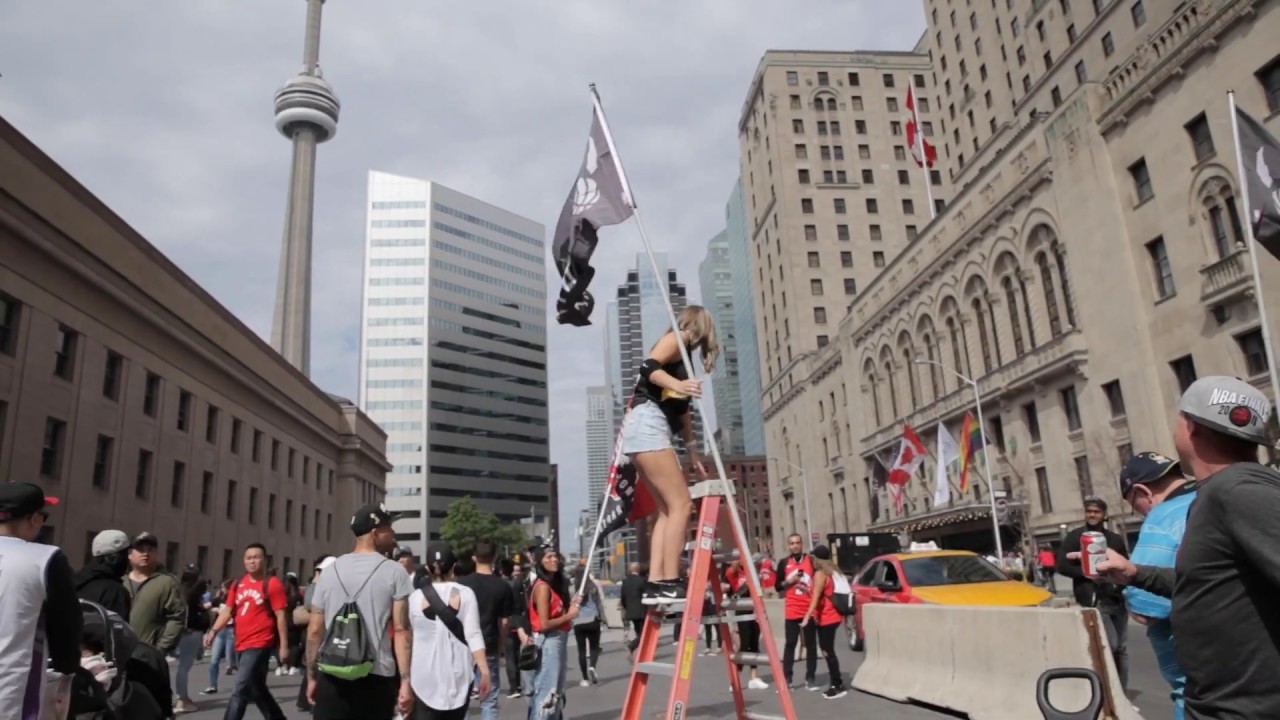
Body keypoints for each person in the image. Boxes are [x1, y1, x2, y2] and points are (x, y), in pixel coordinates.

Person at [1088, 376, 1280, 719]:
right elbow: (1212, 585)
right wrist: (1135, 573)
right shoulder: (1220, 493)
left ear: (1188, 428)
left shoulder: (1238, 493)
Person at [619, 305, 720, 604]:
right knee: (681, 505)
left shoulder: (684, 358)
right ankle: (670, 579)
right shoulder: (678, 338)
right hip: (648, 423)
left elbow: (684, 413)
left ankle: (656, 583)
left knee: (666, 509)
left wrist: (693, 454)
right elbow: (647, 368)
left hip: (647, 428)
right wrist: (678, 384)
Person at [306, 503, 414, 720]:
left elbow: (315, 630)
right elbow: (401, 631)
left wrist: (312, 676)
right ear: (375, 533)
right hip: (377, 677)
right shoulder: (395, 572)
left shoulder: (329, 571)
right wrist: (405, 681)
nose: (393, 534)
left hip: (333, 672)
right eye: (389, 528)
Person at [1117, 451, 1195, 720]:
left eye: (1133, 504)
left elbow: (1145, 606)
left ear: (1142, 491)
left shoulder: (1163, 517)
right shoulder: (1218, 495)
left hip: (1197, 663)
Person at [0, 482, 81, 717]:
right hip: (12, 689)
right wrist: (68, 666)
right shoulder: (45, 559)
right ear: (34, 519)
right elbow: (67, 623)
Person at [204, 543, 289, 720]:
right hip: (241, 642)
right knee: (256, 688)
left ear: (265, 560)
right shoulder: (238, 584)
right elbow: (227, 611)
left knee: (240, 688)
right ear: (244, 561)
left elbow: (281, 616)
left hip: (260, 642)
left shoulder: (272, 584)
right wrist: (213, 631)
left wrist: (284, 646)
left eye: (256, 557)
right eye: (249, 558)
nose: (252, 561)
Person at [1055, 497, 1130, 688]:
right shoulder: (1075, 537)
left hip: (1116, 599)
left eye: (1096, 512)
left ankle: (1121, 693)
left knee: (1120, 648)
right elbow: (1062, 566)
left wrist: (1121, 585)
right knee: (1109, 645)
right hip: (1094, 600)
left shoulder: (1114, 539)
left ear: (1104, 515)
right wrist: (1087, 574)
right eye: (1089, 511)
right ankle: (1106, 689)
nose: (1092, 515)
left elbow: (1125, 565)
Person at [409, 541, 488, 719]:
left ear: (428, 569)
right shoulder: (466, 594)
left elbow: (409, 638)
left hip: (422, 677)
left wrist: (404, 678)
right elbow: (473, 634)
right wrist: (484, 671)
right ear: (453, 567)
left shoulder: (415, 598)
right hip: (459, 675)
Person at [456, 540, 513, 720]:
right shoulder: (502, 586)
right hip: (488, 644)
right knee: (489, 699)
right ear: (495, 557)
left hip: (463, 646)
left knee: (461, 699)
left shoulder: (462, 584)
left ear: (474, 558)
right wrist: (500, 646)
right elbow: (505, 622)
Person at [527, 548, 579, 720]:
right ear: (541, 561)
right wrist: (569, 616)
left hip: (558, 641)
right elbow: (544, 624)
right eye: (548, 557)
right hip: (549, 642)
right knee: (547, 694)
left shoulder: (553, 586)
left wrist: (569, 607)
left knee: (556, 693)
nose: (554, 560)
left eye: (555, 556)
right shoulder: (542, 587)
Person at [125, 533, 187, 656]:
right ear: (130, 554)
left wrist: (161, 648)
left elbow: (177, 617)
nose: (145, 554)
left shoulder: (167, 582)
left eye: (150, 550)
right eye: (140, 550)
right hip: (119, 653)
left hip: (149, 654)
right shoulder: (120, 581)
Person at [801, 545, 847, 699]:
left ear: (817, 559)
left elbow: (816, 597)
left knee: (828, 651)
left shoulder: (820, 574)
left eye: (813, 558)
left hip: (827, 617)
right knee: (828, 650)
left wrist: (808, 615)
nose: (811, 561)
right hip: (831, 616)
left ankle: (837, 684)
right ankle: (836, 682)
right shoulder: (833, 572)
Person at [775, 533, 818, 691]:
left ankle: (810, 677)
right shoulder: (784, 563)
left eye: (797, 543)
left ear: (802, 544)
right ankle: (787, 678)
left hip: (809, 610)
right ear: (788, 545)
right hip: (792, 609)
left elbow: (820, 579)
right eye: (792, 543)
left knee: (811, 645)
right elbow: (777, 586)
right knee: (790, 644)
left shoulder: (811, 561)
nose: (795, 546)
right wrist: (789, 581)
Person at [296, 556, 334, 712]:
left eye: (320, 570)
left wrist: (317, 580)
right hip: (319, 632)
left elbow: (309, 604)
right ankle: (307, 701)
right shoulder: (320, 585)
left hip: (325, 633)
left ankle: (313, 702)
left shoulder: (328, 586)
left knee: (318, 668)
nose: (318, 573)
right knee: (313, 667)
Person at [724, 558, 767, 690]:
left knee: (755, 644)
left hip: (755, 610)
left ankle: (754, 677)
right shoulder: (736, 573)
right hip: (742, 611)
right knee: (744, 645)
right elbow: (729, 573)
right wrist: (738, 562)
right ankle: (735, 679)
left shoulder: (753, 572)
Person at [173, 564, 210, 714]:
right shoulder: (192, 593)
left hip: (185, 631)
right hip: (190, 631)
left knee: (184, 666)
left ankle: (183, 697)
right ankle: (181, 700)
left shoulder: (179, 590)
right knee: (184, 666)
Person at [74, 529, 133, 619]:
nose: (128, 559)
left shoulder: (73, 582)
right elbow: (117, 631)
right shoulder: (115, 592)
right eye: (125, 555)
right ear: (113, 559)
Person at [202, 580, 237, 697]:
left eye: (224, 588)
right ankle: (213, 685)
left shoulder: (236, 600)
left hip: (232, 631)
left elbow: (233, 614)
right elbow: (207, 605)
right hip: (220, 631)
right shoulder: (219, 599)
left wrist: (220, 611)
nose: (222, 590)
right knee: (214, 659)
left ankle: (243, 687)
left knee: (232, 660)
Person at [569, 567, 602, 687]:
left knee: (581, 650)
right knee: (594, 647)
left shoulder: (573, 588)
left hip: (578, 621)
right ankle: (592, 666)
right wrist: (602, 618)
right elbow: (599, 603)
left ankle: (584, 678)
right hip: (593, 619)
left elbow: (570, 604)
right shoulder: (593, 586)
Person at [506, 563, 532, 699]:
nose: (516, 573)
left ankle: (515, 686)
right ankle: (524, 685)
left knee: (512, 656)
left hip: (511, 622)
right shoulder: (525, 585)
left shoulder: (507, 585)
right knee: (519, 654)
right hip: (521, 621)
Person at [619, 562, 648, 659]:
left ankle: (639, 652)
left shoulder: (625, 582)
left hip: (631, 611)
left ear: (630, 570)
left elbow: (623, 597)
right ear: (638, 569)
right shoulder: (642, 581)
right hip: (641, 610)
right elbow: (646, 595)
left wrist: (626, 607)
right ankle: (632, 646)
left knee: (638, 632)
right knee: (644, 633)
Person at [279, 573, 304, 677]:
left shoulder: (283, 594)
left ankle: (283, 665)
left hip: (283, 620)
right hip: (295, 622)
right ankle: (293, 666)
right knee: (295, 644)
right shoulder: (298, 594)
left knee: (283, 643)